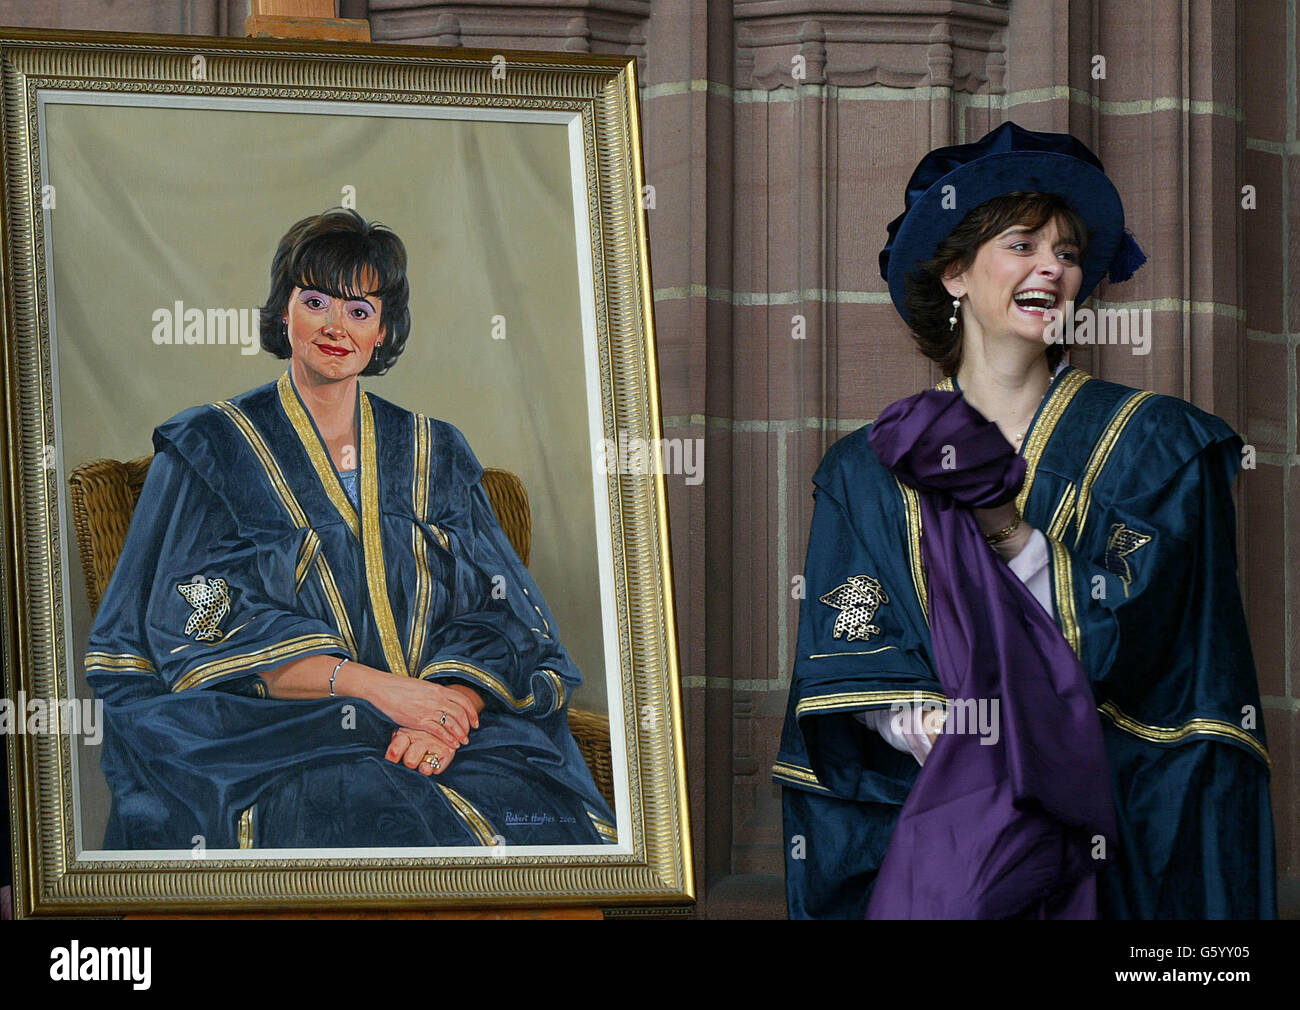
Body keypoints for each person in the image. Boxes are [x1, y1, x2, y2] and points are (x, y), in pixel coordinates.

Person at [773, 123, 1276, 919]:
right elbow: (847, 642)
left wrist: (1007, 527)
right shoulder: (864, 468)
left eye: (1070, 253)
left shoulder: (1157, 445)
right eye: (1022, 244)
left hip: (1112, 817)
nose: (1053, 267)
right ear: (954, 272)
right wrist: (933, 727)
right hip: (937, 820)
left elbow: (1164, 650)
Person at [85, 208, 616, 849]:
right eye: (316, 302)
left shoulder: (434, 452)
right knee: (359, 807)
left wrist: (446, 712)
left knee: (528, 812)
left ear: (383, 330)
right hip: (275, 728)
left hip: (446, 727)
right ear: (285, 311)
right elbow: (194, 613)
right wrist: (379, 692)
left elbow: (501, 614)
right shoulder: (210, 448)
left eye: (360, 310)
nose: (337, 327)